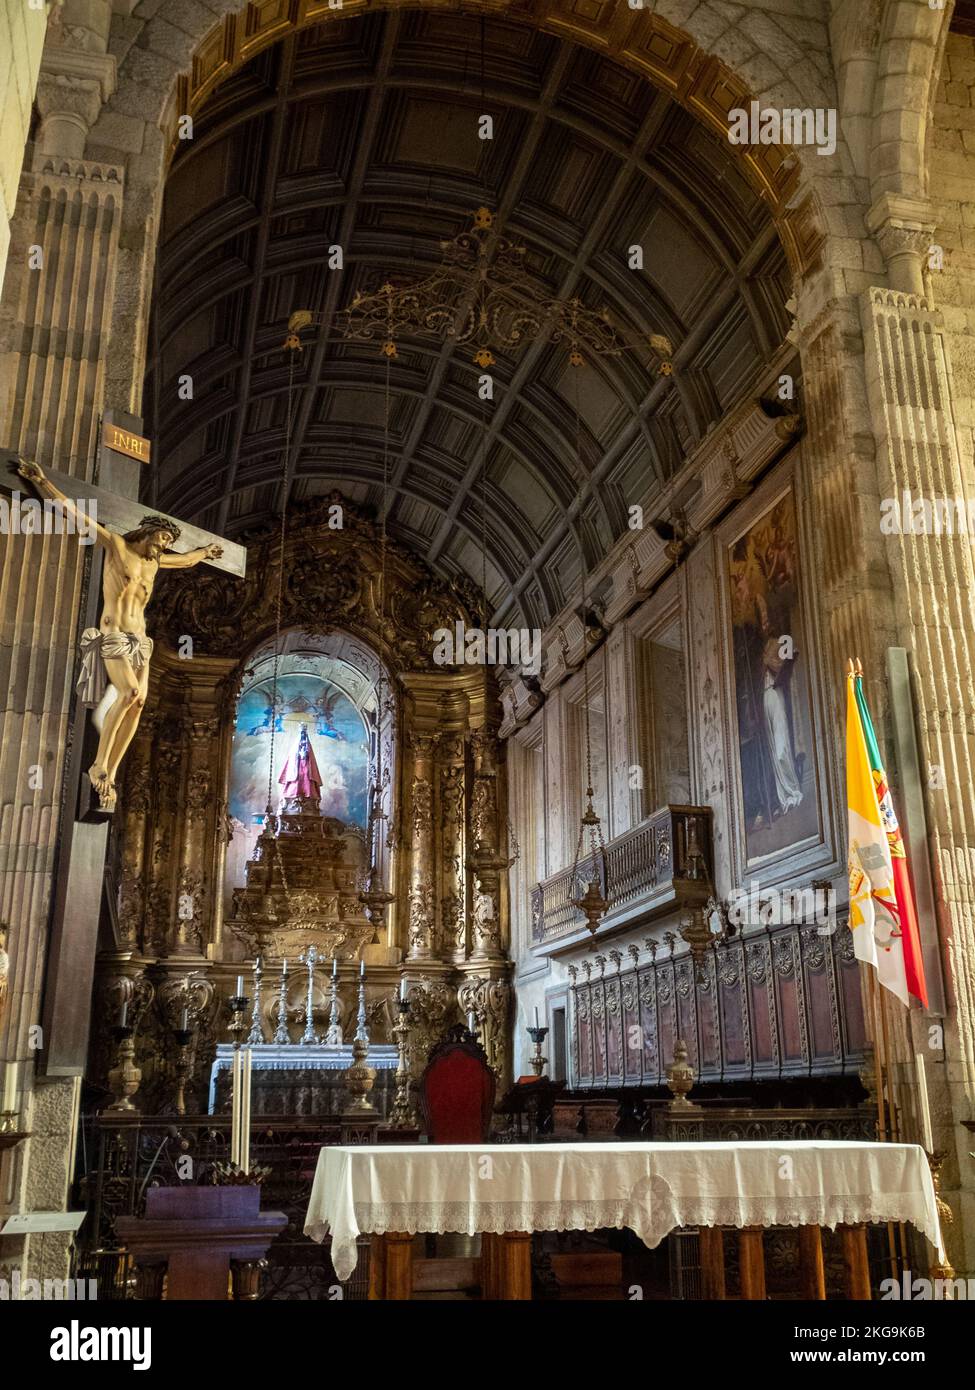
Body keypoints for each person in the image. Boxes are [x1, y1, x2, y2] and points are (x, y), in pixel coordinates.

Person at [16, 459, 222, 811]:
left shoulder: (156, 563)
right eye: (163, 537)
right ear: (149, 531)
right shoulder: (117, 546)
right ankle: (98, 763)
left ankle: (109, 772)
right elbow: (73, 512)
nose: (166, 544)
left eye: (170, 541)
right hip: (113, 634)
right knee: (127, 693)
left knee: (139, 702)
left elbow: (187, 561)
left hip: (141, 642)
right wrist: (42, 482)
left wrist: (205, 552)